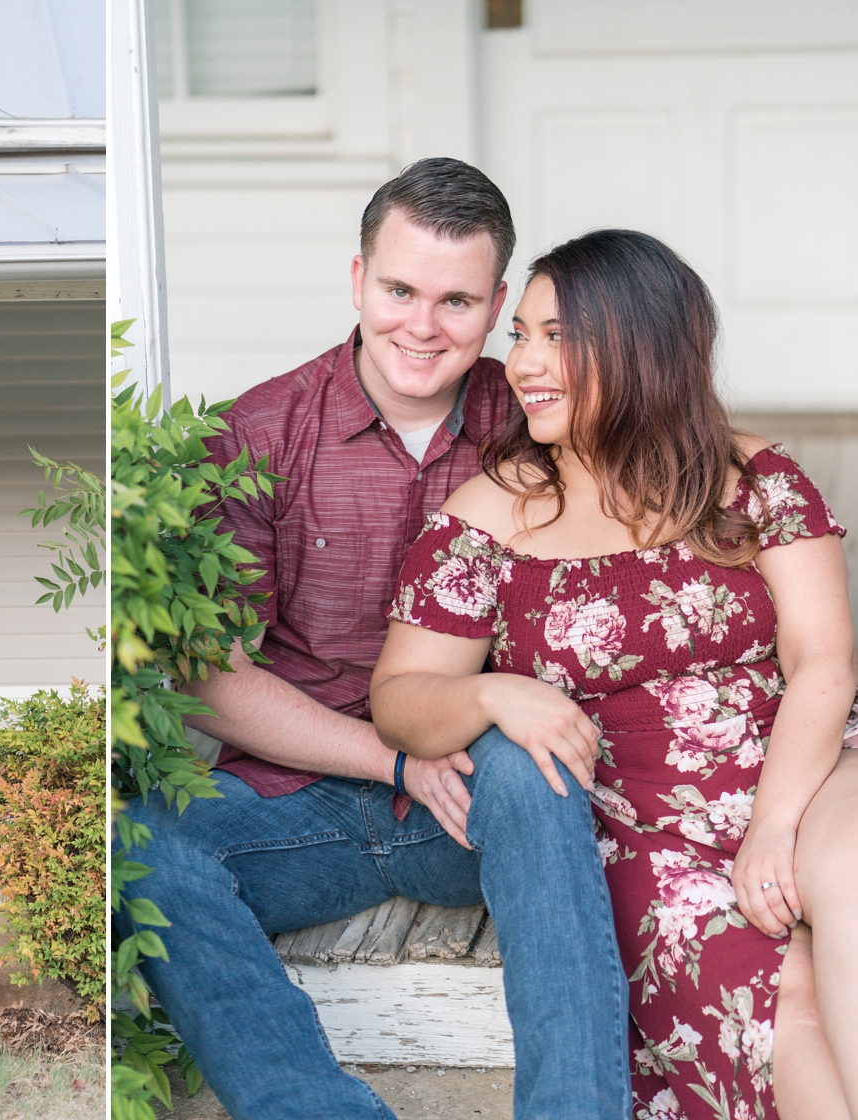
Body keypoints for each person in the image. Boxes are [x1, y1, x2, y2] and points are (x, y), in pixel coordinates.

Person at [116, 158, 630, 1120]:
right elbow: (212, 680)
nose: (422, 327)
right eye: (399, 291)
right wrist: (393, 760)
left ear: (497, 306)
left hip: (479, 788)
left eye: (456, 301)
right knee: (143, 848)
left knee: (540, 772)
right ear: (358, 280)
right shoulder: (255, 435)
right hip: (297, 795)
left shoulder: (536, 424)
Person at [372, 228, 858, 1119]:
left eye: (558, 337)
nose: (525, 363)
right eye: (521, 335)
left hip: (806, 768)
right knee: (782, 1002)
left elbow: (823, 660)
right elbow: (400, 702)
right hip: (641, 824)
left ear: (643, 346)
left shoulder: (753, 478)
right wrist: (488, 690)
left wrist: (774, 824)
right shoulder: (491, 517)